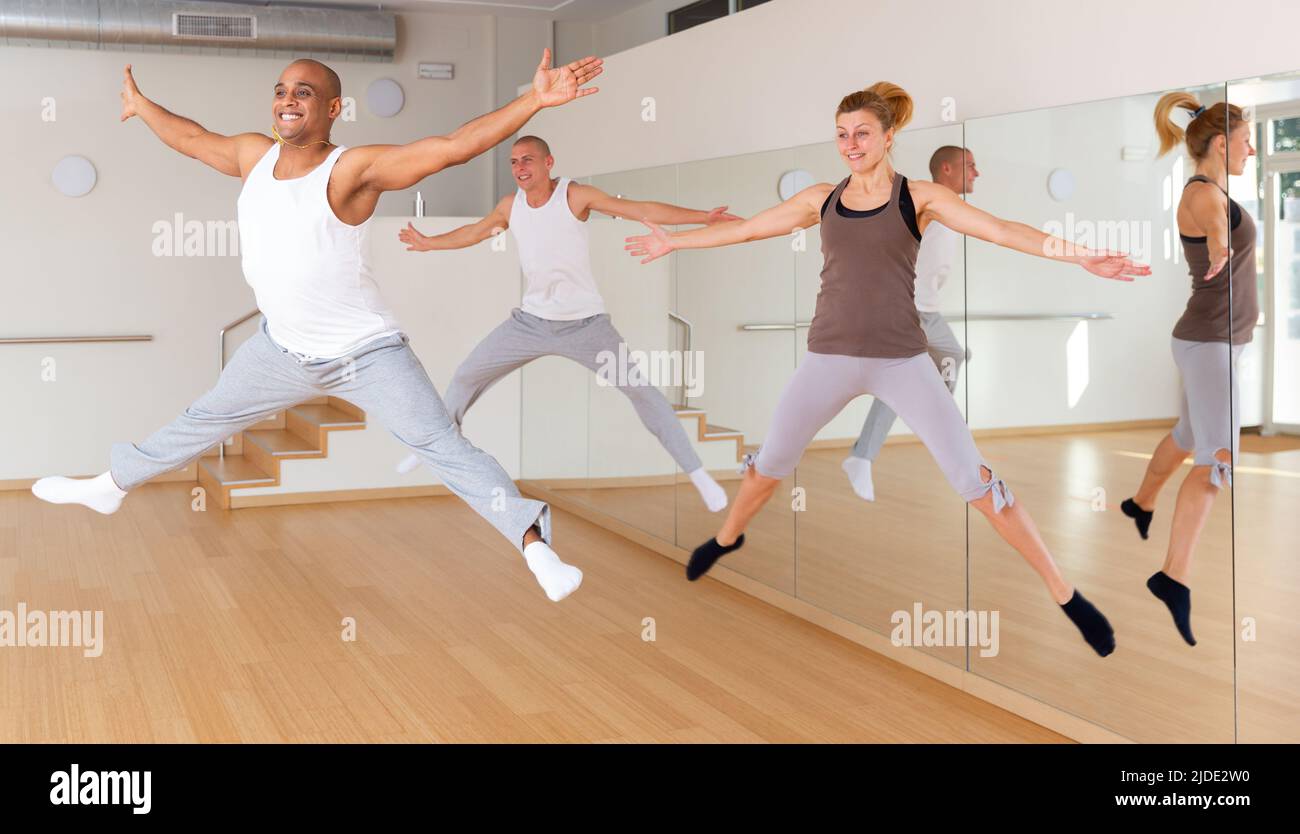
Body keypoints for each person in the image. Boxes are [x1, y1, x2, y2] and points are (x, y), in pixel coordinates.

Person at [31, 51, 603, 603]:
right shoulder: (254, 156)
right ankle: (112, 485)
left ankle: (534, 548)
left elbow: (451, 148)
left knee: (441, 445)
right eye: (281, 90)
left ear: (333, 109)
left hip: (365, 352)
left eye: (304, 92)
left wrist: (534, 100)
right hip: (281, 349)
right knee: (203, 418)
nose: (287, 99)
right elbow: (192, 137)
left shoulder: (351, 169)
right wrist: (141, 105)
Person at [626, 82, 1151, 657]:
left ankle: (1067, 593)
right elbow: (748, 228)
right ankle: (726, 538)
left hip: (903, 361)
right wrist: (674, 245)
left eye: (862, 133)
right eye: (842, 135)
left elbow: (1002, 230)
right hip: (828, 359)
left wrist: (1080, 254)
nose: (850, 144)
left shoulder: (919, 197)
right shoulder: (820, 199)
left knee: (979, 486)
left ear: (887, 137)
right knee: (768, 469)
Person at [394, 135, 740, 512]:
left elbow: (641, 209)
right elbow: (477, 232)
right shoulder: (511, 206)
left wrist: (702, 217)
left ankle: (698, 474)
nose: (520, 168)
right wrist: (430, 243)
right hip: (529, 324)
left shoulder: (575, 196)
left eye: (528, 160)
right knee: (465, 377)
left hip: (586, 327)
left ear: (548, 163)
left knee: (643, 392)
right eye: (513, 162)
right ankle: (434, 449)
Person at [1120, 93, 1258, 645]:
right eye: (1247, 141)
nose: (1251, 148)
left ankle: (1140, 502)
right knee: (1217, 461)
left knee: (1187, 436)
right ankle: (1172, 577)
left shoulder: (1216, 189)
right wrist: (1222, 245)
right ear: (1222, 145)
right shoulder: (1204, 196)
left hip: (1213, 343)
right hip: (1209, 347)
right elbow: (1215, 226)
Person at [843, 144, 978, 501]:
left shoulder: (950, 208)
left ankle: (918, 426)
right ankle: (868, 453)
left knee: (951, 355)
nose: (976, 173)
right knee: (915, 374)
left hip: (927, 310)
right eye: (970, 166)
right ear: (946, 170)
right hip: (908, 309)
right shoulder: (928, 204)